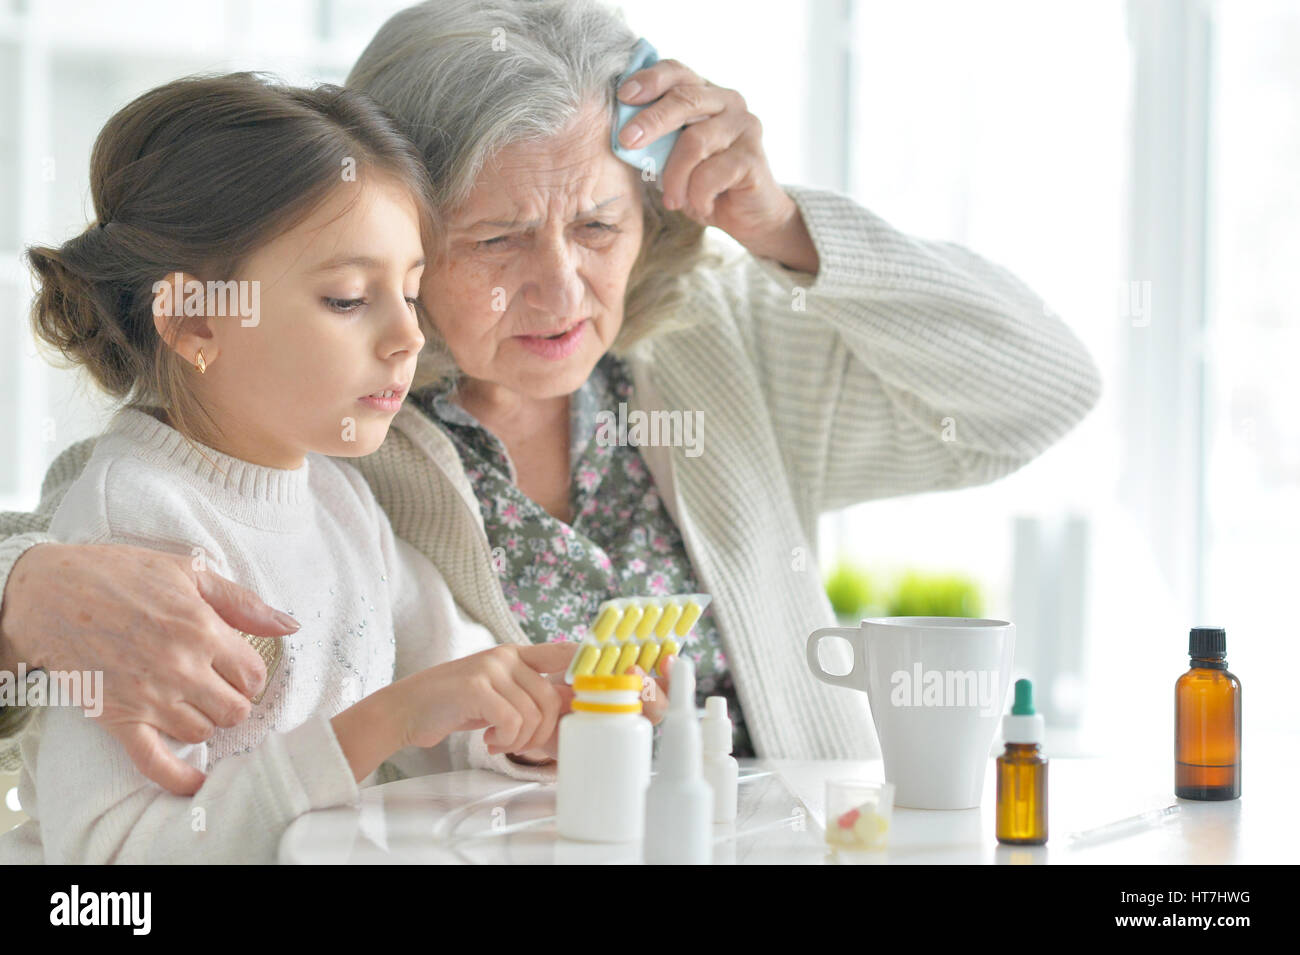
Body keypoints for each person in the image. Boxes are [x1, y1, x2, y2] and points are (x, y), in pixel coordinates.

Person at [0, 0, 1101, 790]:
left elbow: (1040, 391)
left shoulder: (718, 344)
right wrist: (22, 587)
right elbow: (112, 507)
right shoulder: (315, 399)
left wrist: (779, 222)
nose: (561, 288)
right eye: (493, 239)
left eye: (597, 225)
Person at [0, 73, 596, 864]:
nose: (407, 337)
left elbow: (451, 691)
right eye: (350, 299)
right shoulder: (135, 522)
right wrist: (383, 723)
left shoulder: (339, 496)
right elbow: (110, 857)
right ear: (194, 319)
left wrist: (535, 717)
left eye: (410, 293)